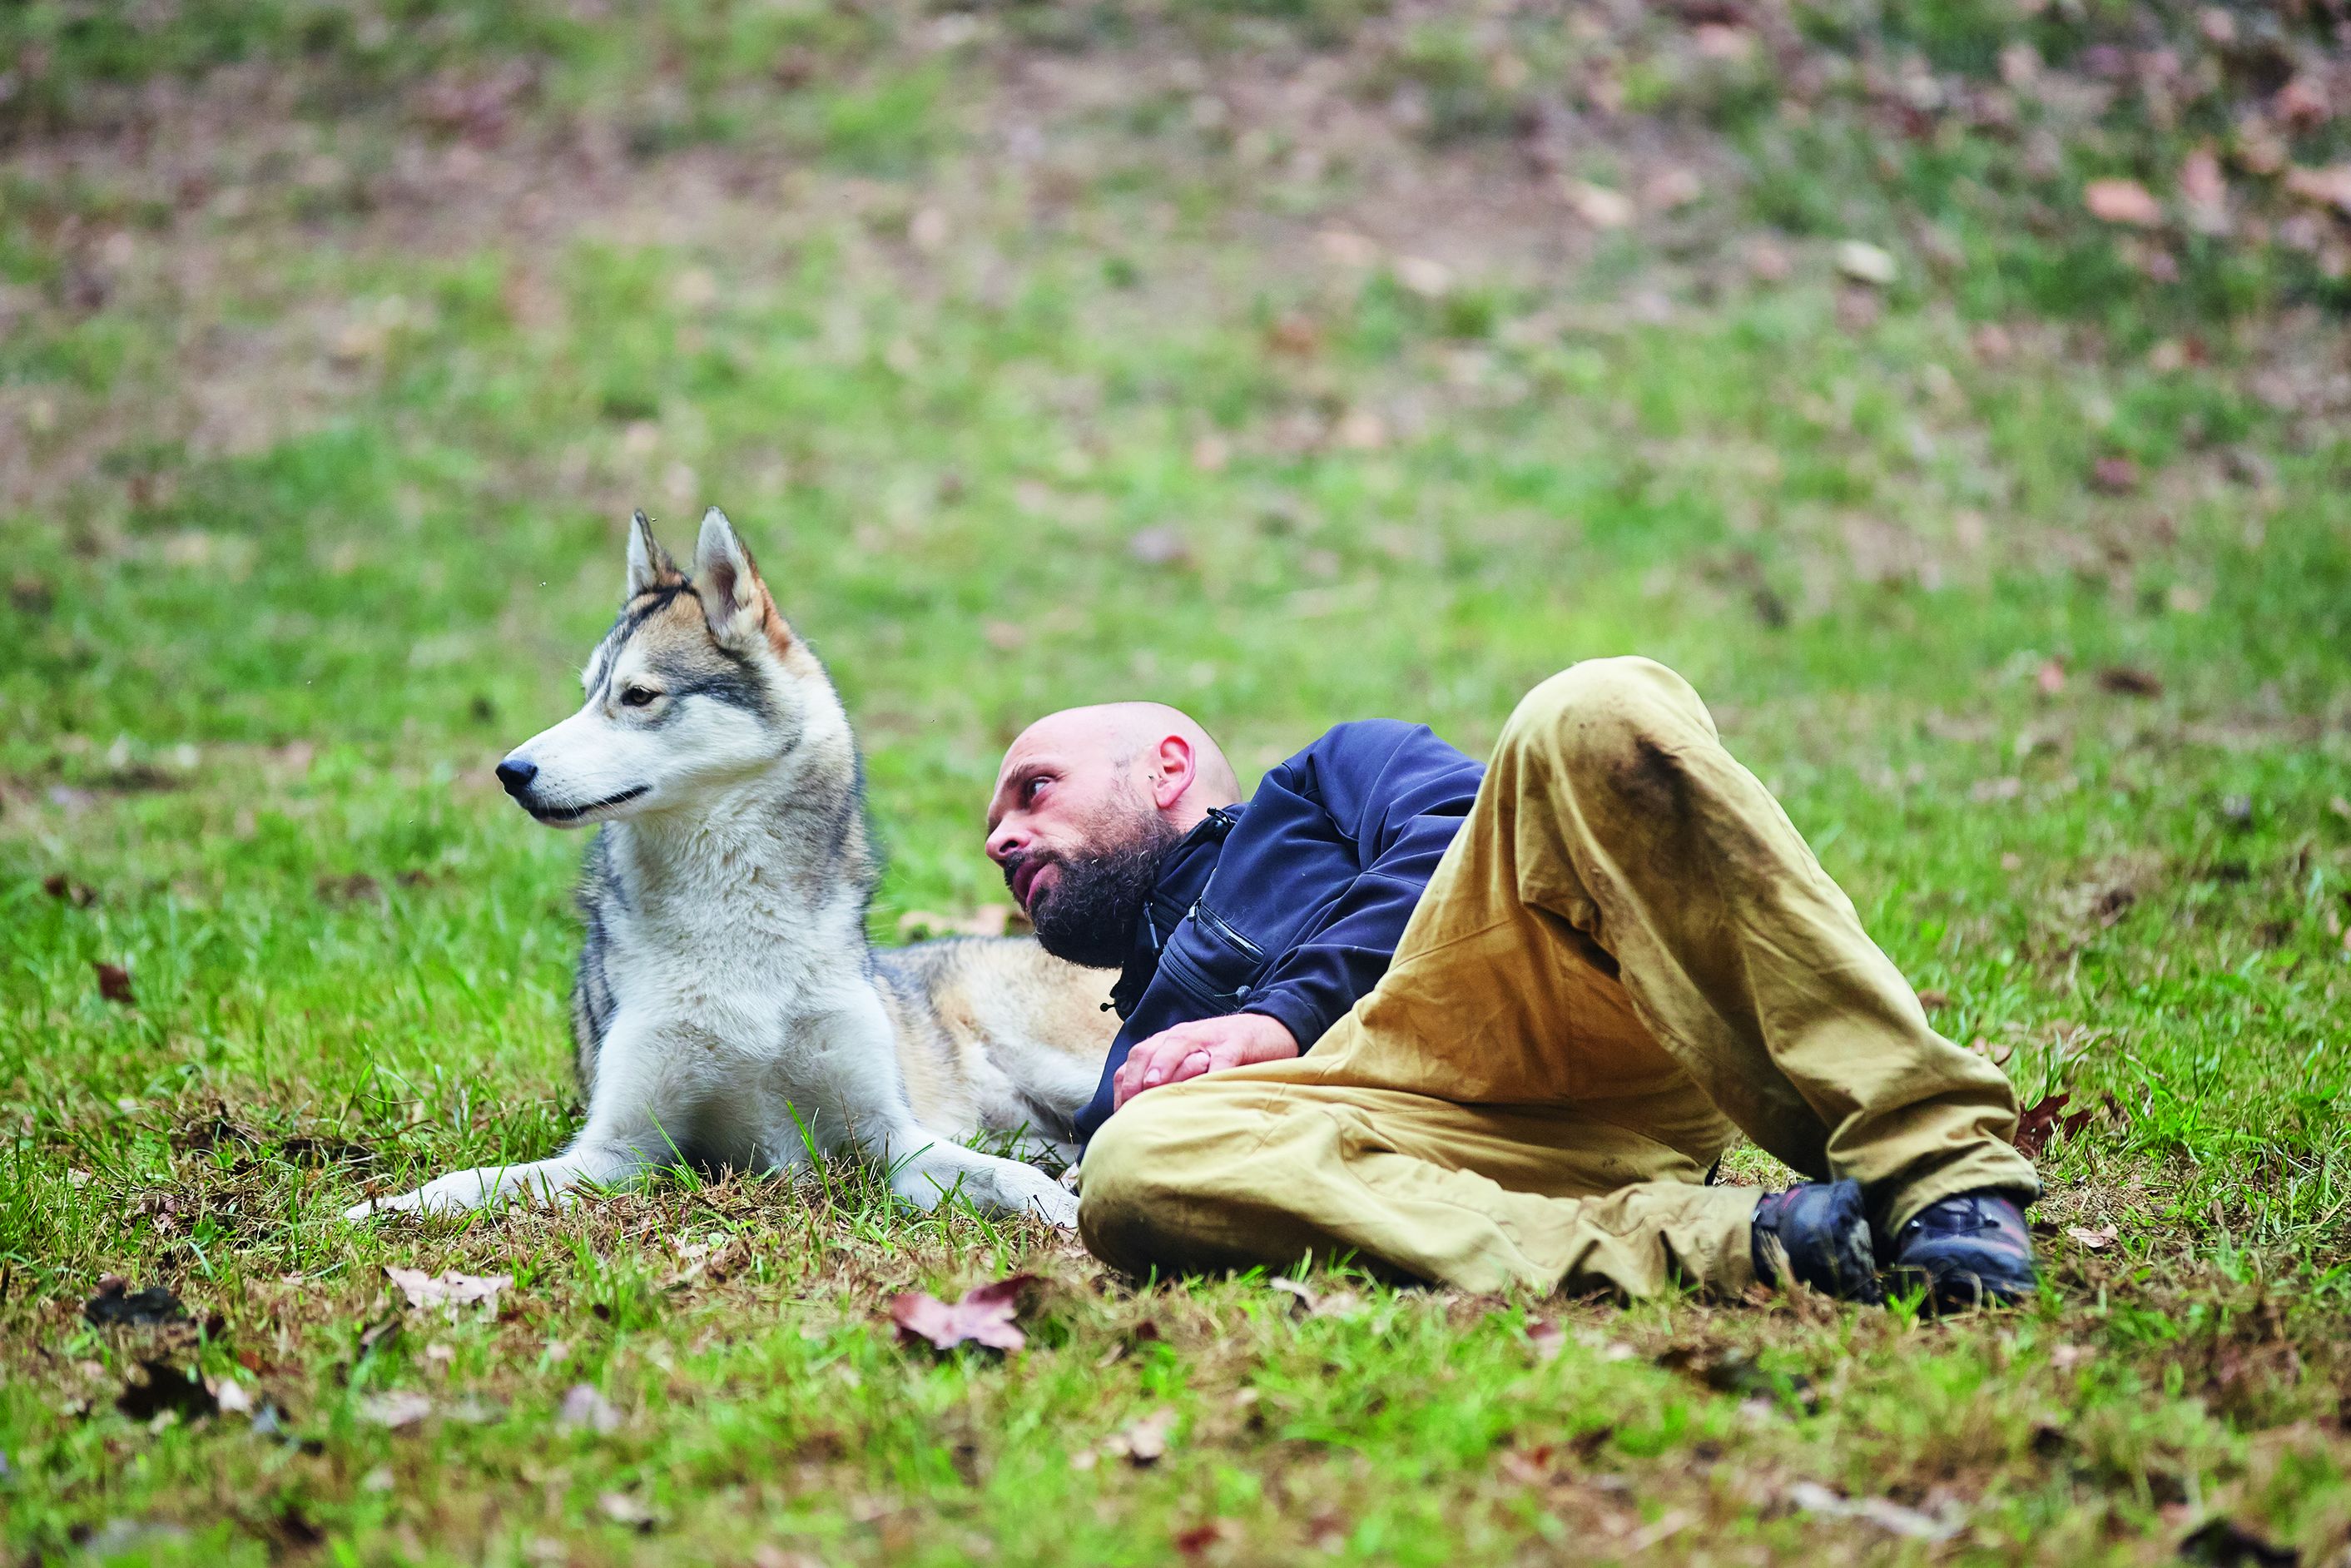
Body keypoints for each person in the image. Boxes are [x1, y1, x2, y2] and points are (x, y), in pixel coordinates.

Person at [983, 658, 2040, 1306]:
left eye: (1033, 791)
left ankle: (1941, 1173)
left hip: (1540, 997)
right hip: (1426, 1146)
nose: (1002, 837)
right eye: (993, 829)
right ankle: (1774, 1245)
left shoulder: (1321, 781)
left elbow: (1448, 830)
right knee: (1134, 1167)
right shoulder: (1134, 1059)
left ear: (1166, 767)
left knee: (1591, 707)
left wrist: (1279, 1014)